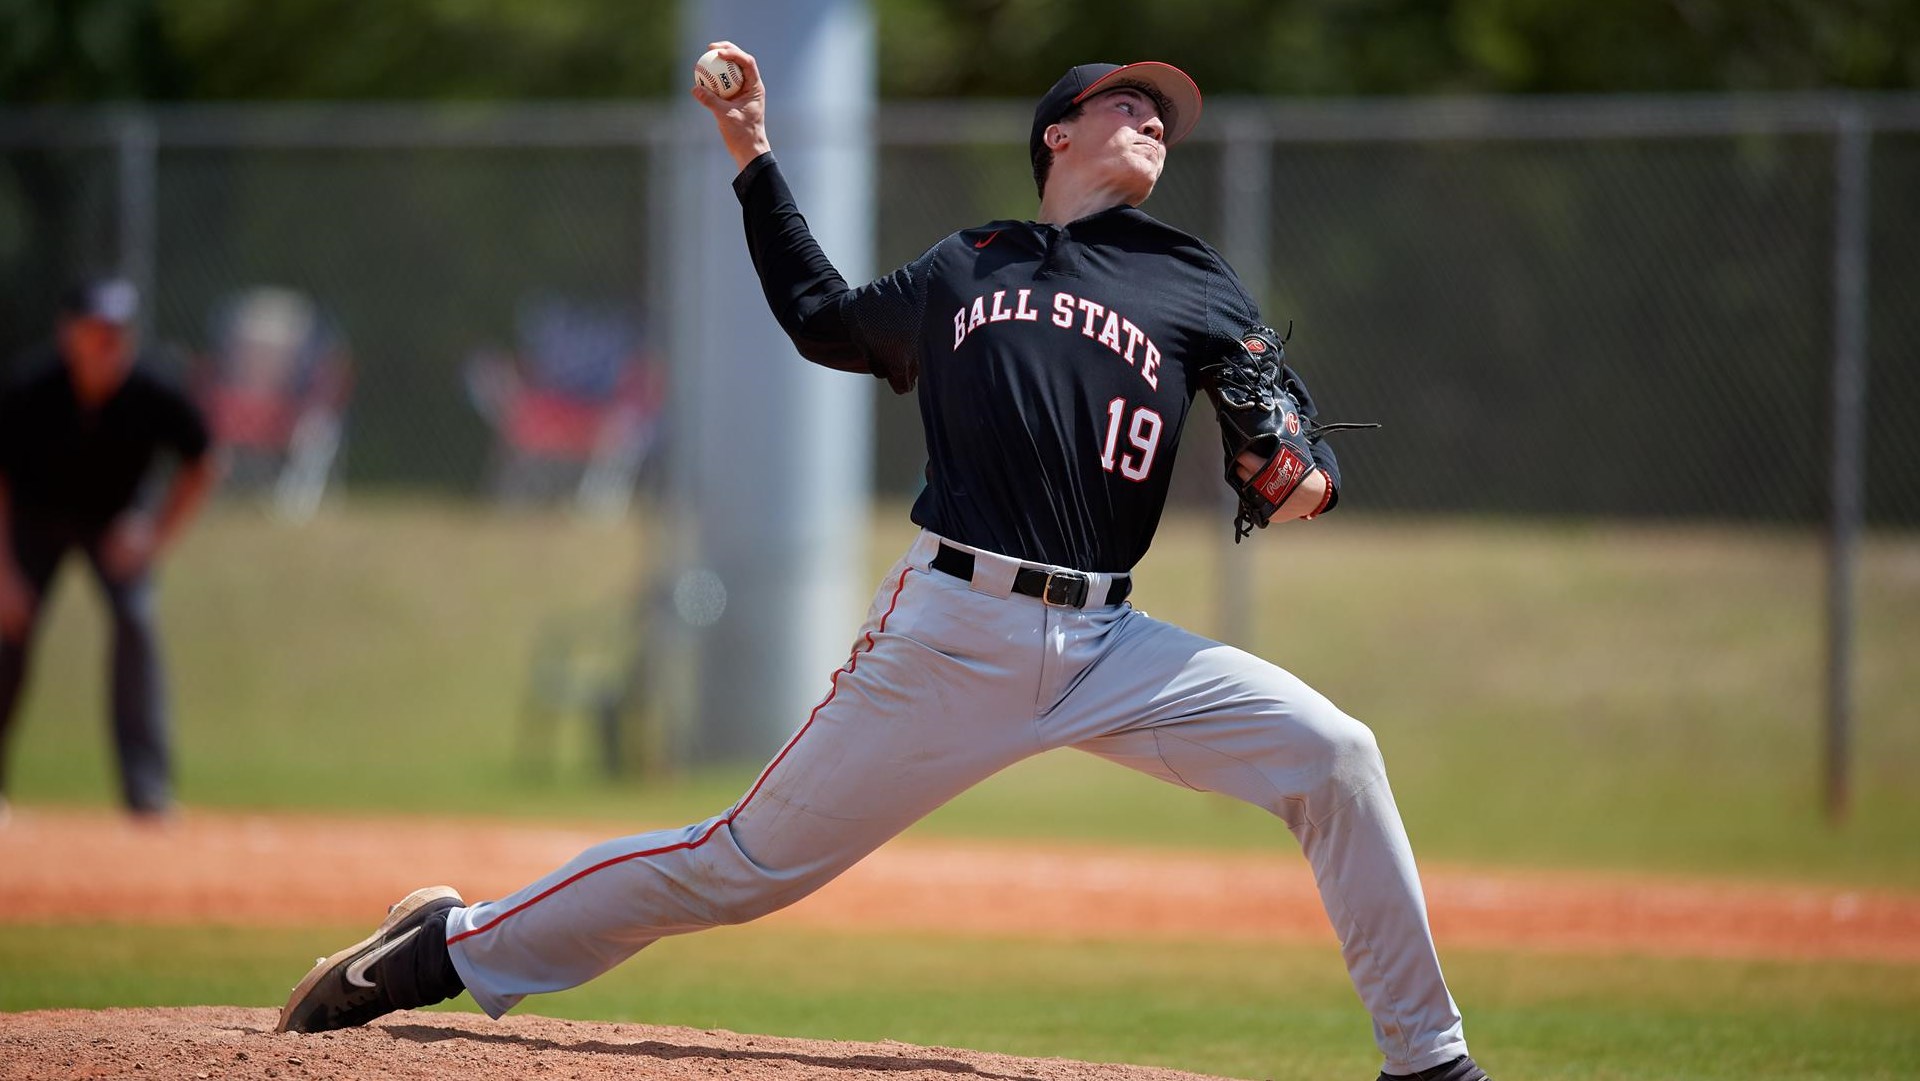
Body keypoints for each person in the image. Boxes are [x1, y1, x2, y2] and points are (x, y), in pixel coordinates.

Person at [275, 47, 1492, 1081]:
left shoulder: (1191, 279)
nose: (1153, 119)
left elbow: (1283, 433)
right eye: (1127, 101)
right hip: (952, 629)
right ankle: (449, 942)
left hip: (1115, 646)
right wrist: (751, 150)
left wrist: (1303, 478)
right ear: (1057, 134)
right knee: (739, 869)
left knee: (1335, 753)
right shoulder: (970, 263)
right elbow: (822, 317)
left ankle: (1429, 1058)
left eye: (1164, 114)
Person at [0, 279, 219, 821]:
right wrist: (2, 571)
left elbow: (204, 462)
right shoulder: (30, 388)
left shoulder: (150, 390)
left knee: (136, 623)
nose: (108, 344)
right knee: (7, 633)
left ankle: (146, 791)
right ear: (67, 333)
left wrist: (154, 536)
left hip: (116, 526)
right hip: (33, 520)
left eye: (118, 333)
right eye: (96, 331)